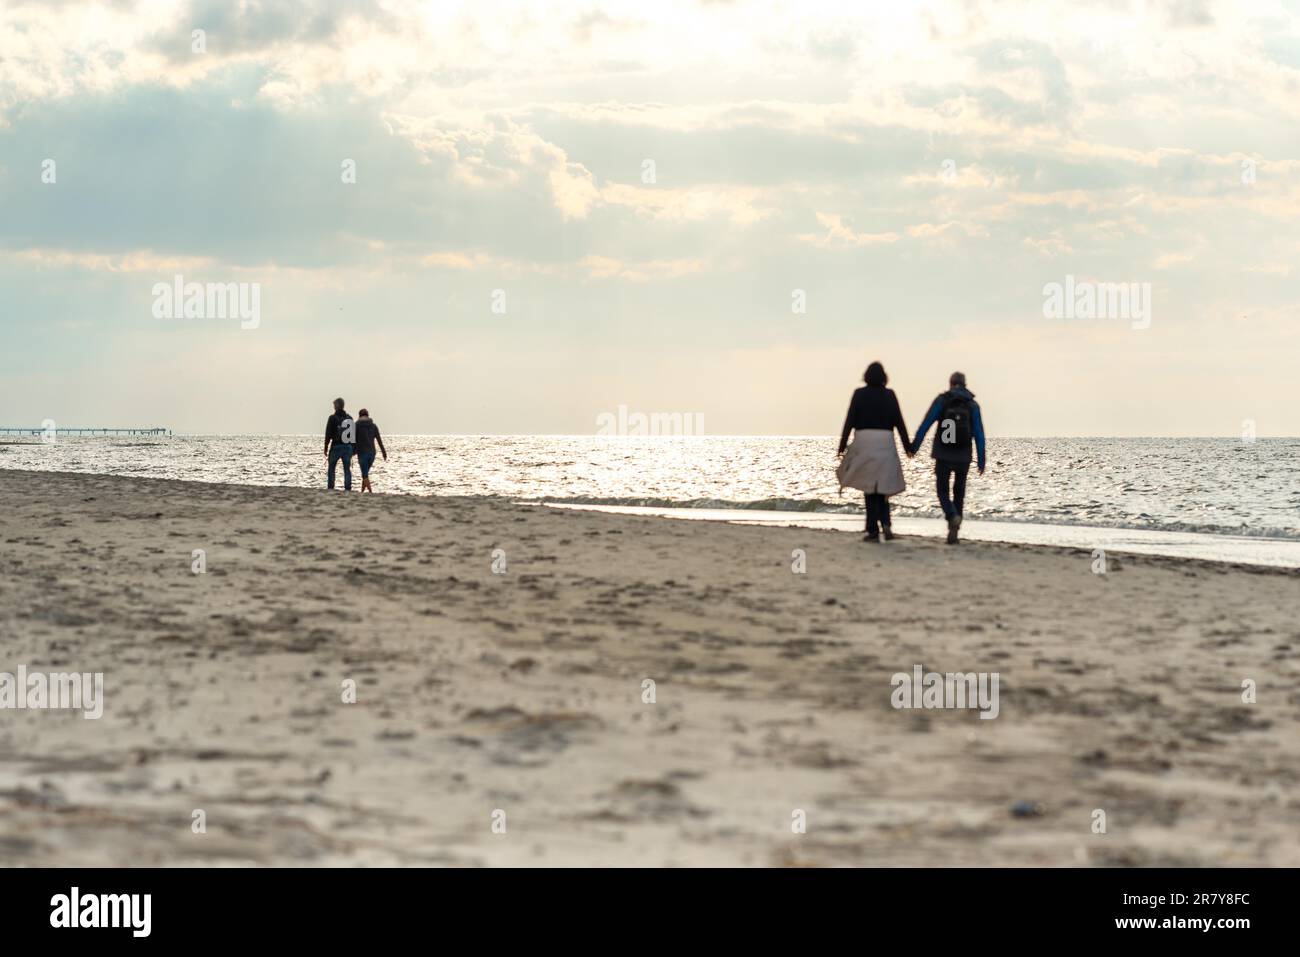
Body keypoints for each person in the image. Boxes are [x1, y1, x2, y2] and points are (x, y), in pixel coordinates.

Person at [836, 361, 912, 542]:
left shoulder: (859, 394)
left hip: (864, 441)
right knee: (883, 487)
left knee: (869, 488)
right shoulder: (890, 395)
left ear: (866, 376)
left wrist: (842, 445)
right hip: (885, 441)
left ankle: (872, 530)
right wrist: (907, 446)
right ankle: (886, 524)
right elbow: (899, 422)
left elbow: (849, 420)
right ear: (884, 377)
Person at [909, 371, 987, 544]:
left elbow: (926, 424)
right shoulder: (972, 405)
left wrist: (914, 447)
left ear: (950, 383)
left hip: (943, 454)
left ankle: (951, 516)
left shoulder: (942, 401)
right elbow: (979, 434)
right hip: (963, 456)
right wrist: (982, 459)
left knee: (942, 491)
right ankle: (955, 531)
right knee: (959, 494)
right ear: (965, 384)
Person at [323, 397, 355, 491]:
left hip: (336, 446)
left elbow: (328, 433)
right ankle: (348, 488)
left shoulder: (332, 418)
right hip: (347, 446)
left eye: (334, 405)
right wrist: (352, 448)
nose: (333, 407)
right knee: (347, 469)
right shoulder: (350, 418)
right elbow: (352, 436)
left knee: (332, 468)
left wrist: (326, 446)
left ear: (337, 405)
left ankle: (331, 487)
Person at [353, 408, 388, 493]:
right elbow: (379, 440)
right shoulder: (373, 426)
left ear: (359, 415)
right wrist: (384, 452)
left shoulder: (356, 425)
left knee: (364, 475)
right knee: (365, 474)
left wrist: (352, 452)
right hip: (372, 453)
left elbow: (352, 440)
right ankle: (362, 492)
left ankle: (370, 492)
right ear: (368, 415)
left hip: (362, 453)